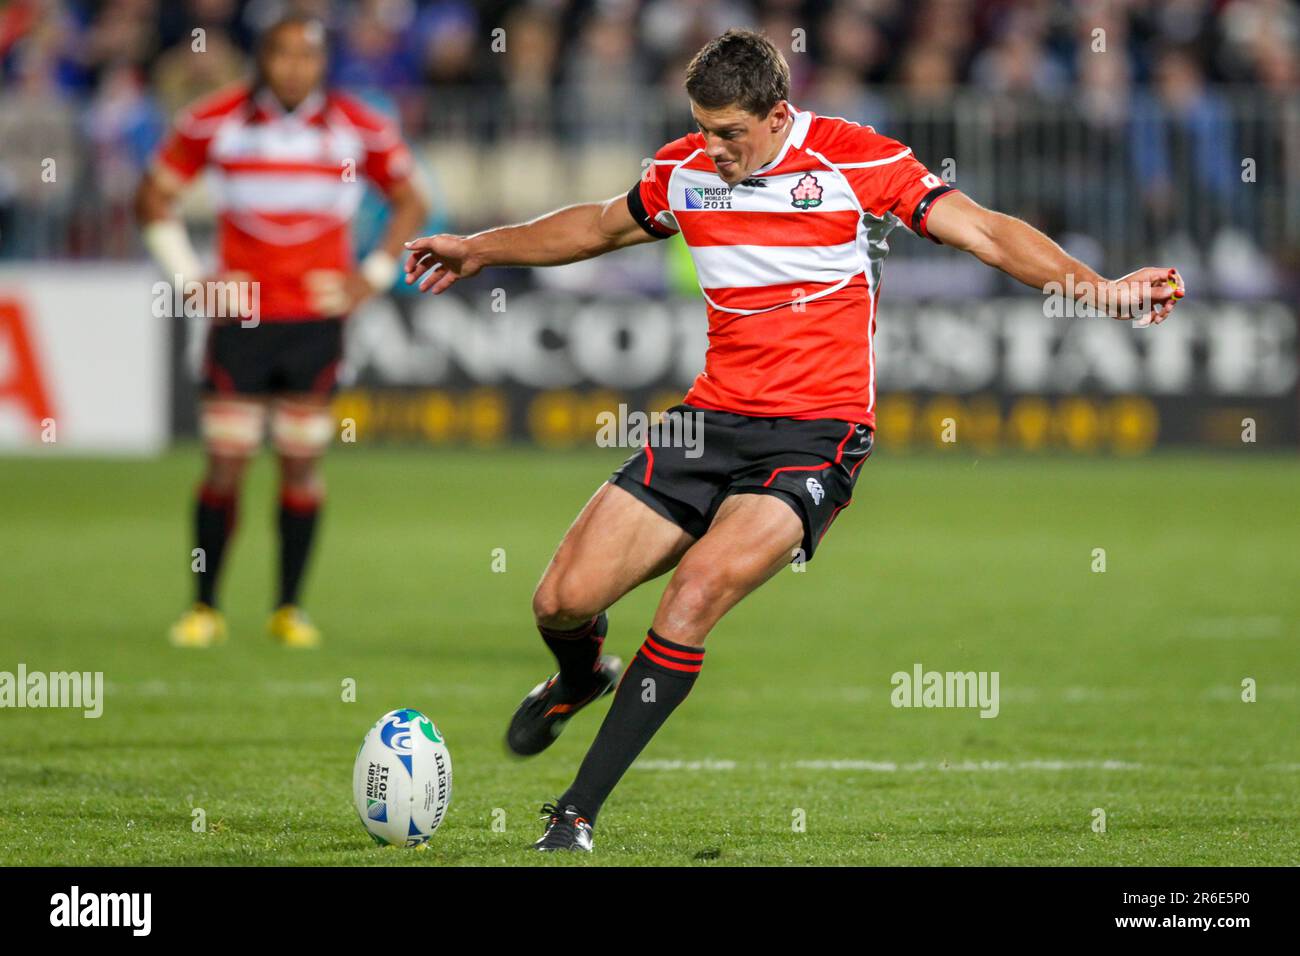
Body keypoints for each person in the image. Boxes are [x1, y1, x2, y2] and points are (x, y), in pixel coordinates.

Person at [404, 29, 1184, 851]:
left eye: (730, 132)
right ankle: (579, 676)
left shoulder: (858, 160)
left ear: (780, 115)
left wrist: (1095, 290)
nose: (714, 148)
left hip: (817, 435)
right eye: (703, 128)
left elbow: (985, 232)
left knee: (694, 595)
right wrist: (480, 248)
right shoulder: (686, 171)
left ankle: (575, 813)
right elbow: (599, 227)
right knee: (561, 602)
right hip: (709, 422)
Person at [135, 14, 428, 649]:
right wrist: (190, 278)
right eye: (282, 55)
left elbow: (412, 200)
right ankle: (204, 607)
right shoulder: (215, 121)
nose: (294, 67)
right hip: (239, 317)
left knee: (300, 463)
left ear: (323, 63)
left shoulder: (360, 126)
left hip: (316, 321)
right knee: (226, 462)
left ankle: (289, 608)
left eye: (307, 56)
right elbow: (153, 197)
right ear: (262, 59)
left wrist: (370, 277)